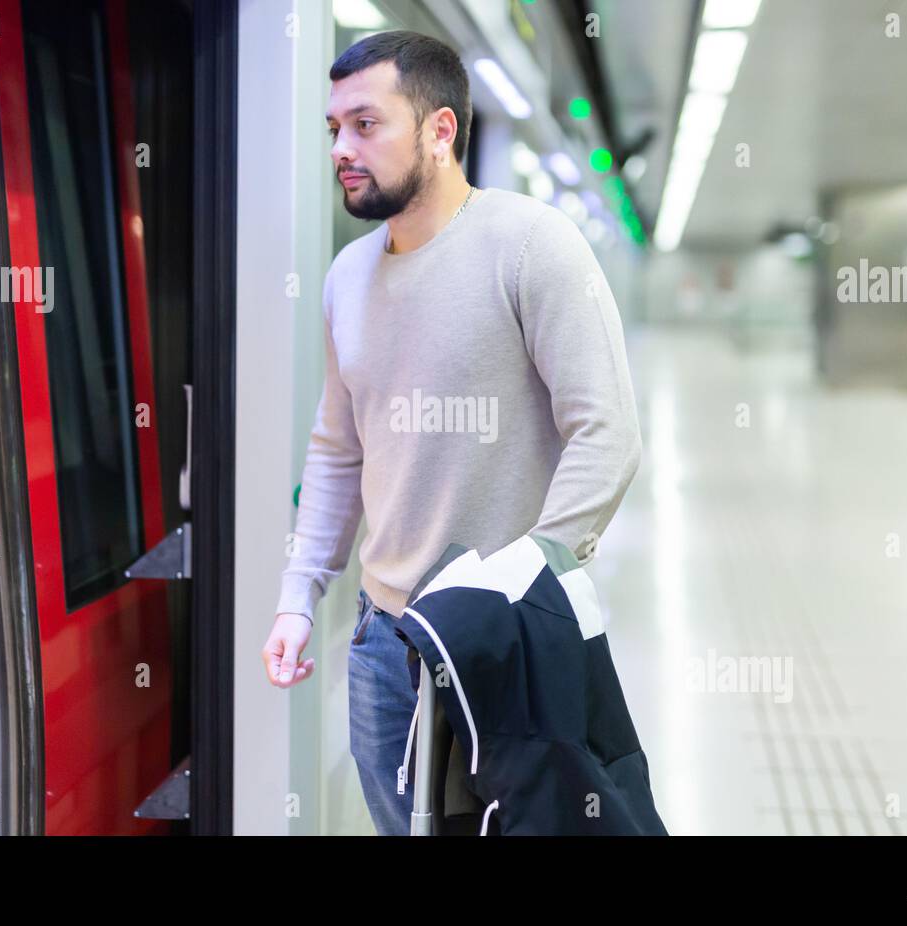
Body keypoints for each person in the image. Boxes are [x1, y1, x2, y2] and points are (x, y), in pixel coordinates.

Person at [260, 30, 642, 835]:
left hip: (509, 651)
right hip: (384, 649)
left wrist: (516, 594)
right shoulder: (346, 277)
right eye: (334, 129)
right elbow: (338, 448)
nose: (342, 147)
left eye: (366, 124)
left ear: (440, 129)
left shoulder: (531, 245)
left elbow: (606, 435)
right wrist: (301, 594)